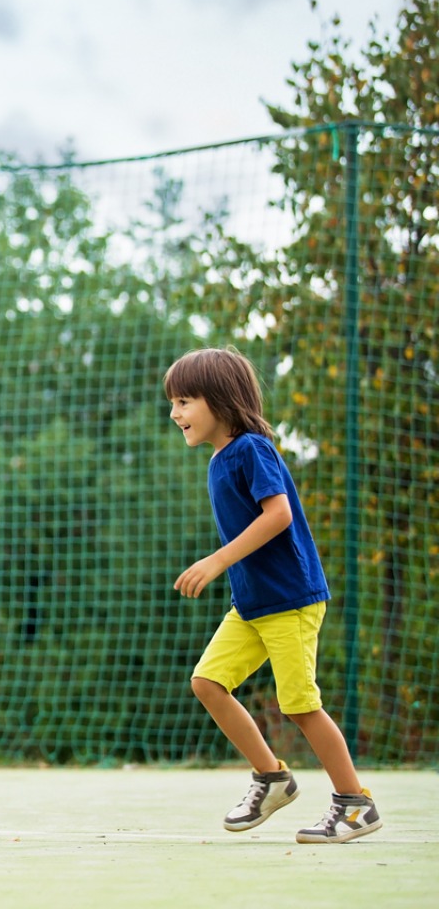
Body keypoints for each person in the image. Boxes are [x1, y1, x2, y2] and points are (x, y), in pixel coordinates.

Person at [164, 346, 382, 844]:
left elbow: (278, 514)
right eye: (173, 402)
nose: (175, 413)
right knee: (208, 682)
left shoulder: (252, 449)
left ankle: (356, 804)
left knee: (299, 704)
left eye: (184, 400)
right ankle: (272, 778)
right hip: (253, 604)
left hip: (291, 599)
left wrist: (218, 560)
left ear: (219, 400)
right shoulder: (220, 459)